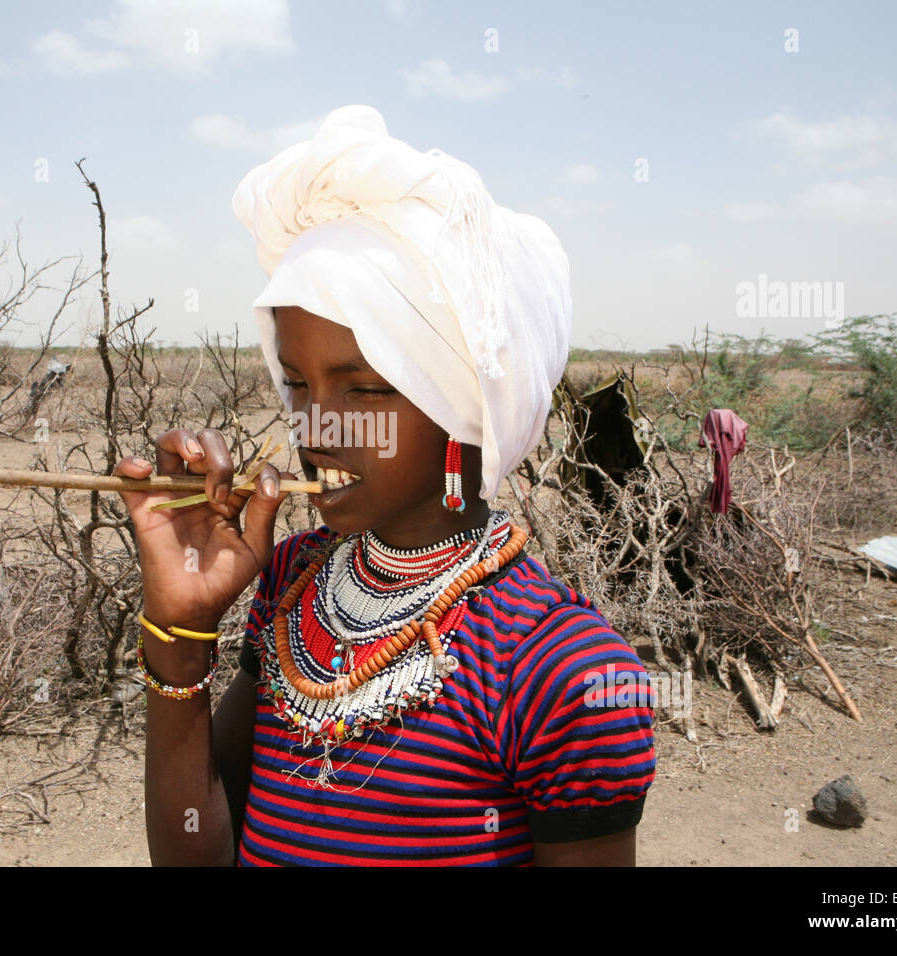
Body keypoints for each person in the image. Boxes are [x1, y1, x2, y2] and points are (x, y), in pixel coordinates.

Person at [114, 105, 655, 866]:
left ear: (462, 409)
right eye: (298, 383)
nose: (317, 427)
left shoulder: (562, 673)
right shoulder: (292, 586)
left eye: (365, 390)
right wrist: (180, 633)